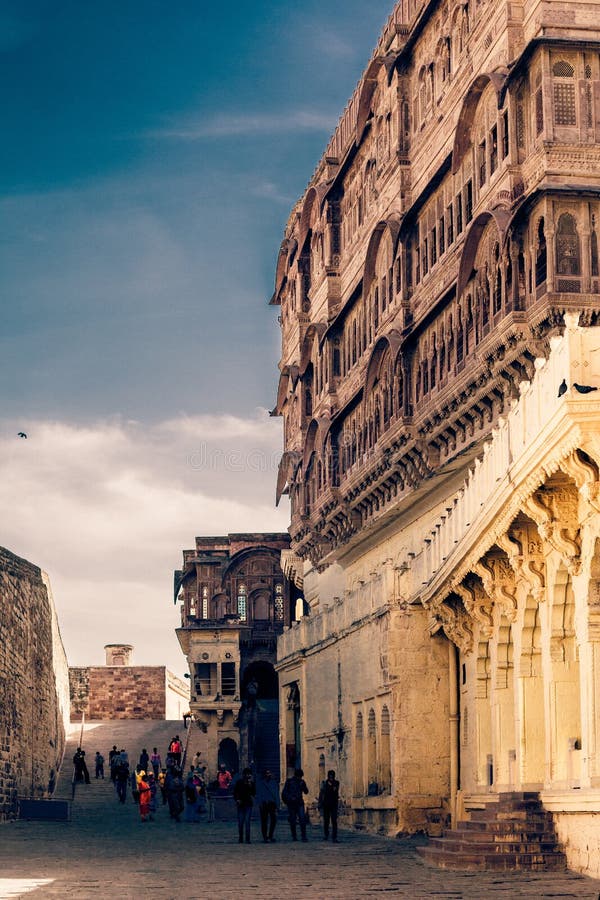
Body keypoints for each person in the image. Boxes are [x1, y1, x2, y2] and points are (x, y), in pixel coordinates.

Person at [281, 768, 309, 841]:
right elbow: (284, 793)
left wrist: (303, 785)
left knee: (302, 820)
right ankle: (294, 836)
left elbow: (306, 791)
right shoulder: (289, 782)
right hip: (292, 803)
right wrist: (289, 799)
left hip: (299, 803)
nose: (300, 778)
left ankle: (303, 836)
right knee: (293, 820)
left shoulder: (301, 782)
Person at [256, 769, 279, 842]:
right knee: (264, 821)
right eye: (267, 773)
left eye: (269, 773)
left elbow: (276, 794)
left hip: (272, 803)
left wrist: (277, 804)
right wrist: (260, 803)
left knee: (273, 820)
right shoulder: (260, 783)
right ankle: (265, 837)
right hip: (264, 803)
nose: (269, 774)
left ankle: (270, 835)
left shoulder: (273, 782)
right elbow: (259, 794)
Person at [233, 767, 255, 843]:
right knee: (241, 822)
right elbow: (235, 792)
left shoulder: (251, 783)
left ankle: (248, 839)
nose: (248, 776)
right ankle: (241, 838)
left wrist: (250, 785)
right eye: (247, 774)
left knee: (247, 821)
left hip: (248, 804)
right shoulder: (239, 782)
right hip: (241, 804)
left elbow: (254, 793)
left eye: (249, 774)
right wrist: (237, 799)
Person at [318, 769, 340, 842]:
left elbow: (335, 790)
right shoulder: (324, 783)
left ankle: (334, 836)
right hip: (326, 804)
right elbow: (321, 793)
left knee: (334, 821)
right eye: (330, 776)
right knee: (326, 821)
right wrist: (320, 803)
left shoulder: (336, 783)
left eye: (332, 776)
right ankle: (326, 834)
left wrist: (331, 785)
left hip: (333, 804)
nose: (331, 777)